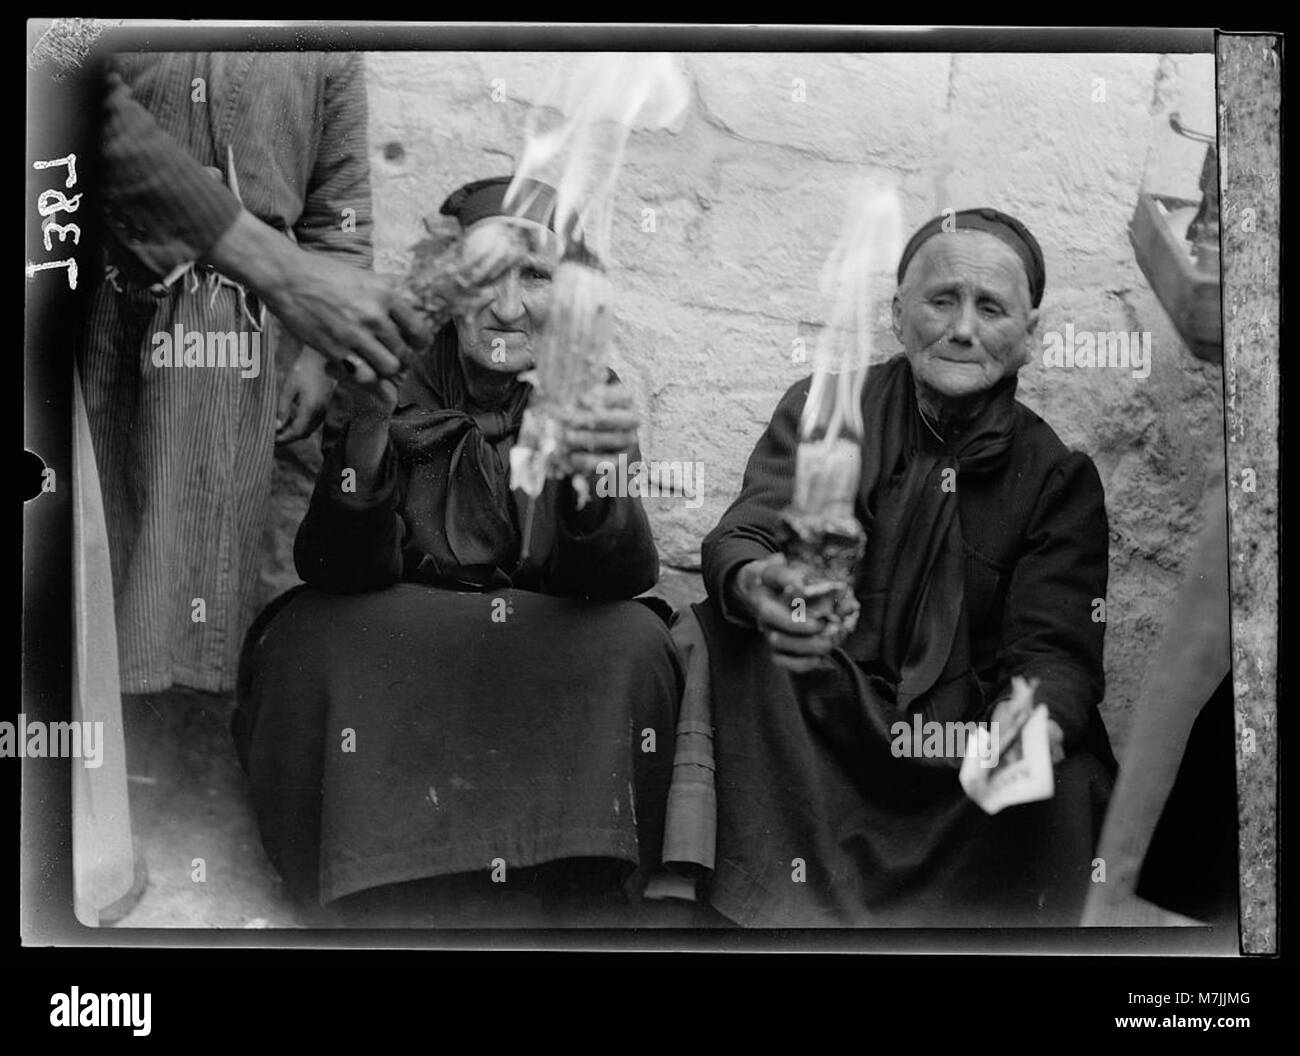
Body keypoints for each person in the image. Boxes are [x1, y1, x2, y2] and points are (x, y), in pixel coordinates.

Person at [232, 177, 681, 926]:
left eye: (534, 277)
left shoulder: (587, 387)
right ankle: (370, 882)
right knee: (310, 635)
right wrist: (370, 424)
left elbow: (617, 577)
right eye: (485, 276)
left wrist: (590, 485)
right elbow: (337, 567)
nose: (506, 307)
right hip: (399, 628)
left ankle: (570, 875)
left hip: (537, 636)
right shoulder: (386, 367)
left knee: (634, 641)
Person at [682, 207, 1117, 927]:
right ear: (898, 313)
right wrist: (764, 585)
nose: (963, 329)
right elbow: (746, 536)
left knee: (1068, 778)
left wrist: (1029, 726)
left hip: (960, 752)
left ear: (1030, 336)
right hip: (823, 722)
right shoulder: (826, 409)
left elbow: (1056, 651)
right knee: (738, 639)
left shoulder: (1057, 480)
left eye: (990, 308)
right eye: (942, 300)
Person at [83, 51, 427, 696]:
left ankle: (165, 704)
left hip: (232, 328)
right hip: (100, 295)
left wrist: (318, 354)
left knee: (194, 551)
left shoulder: (323, 43)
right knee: (87, 536)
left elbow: (340, 211)